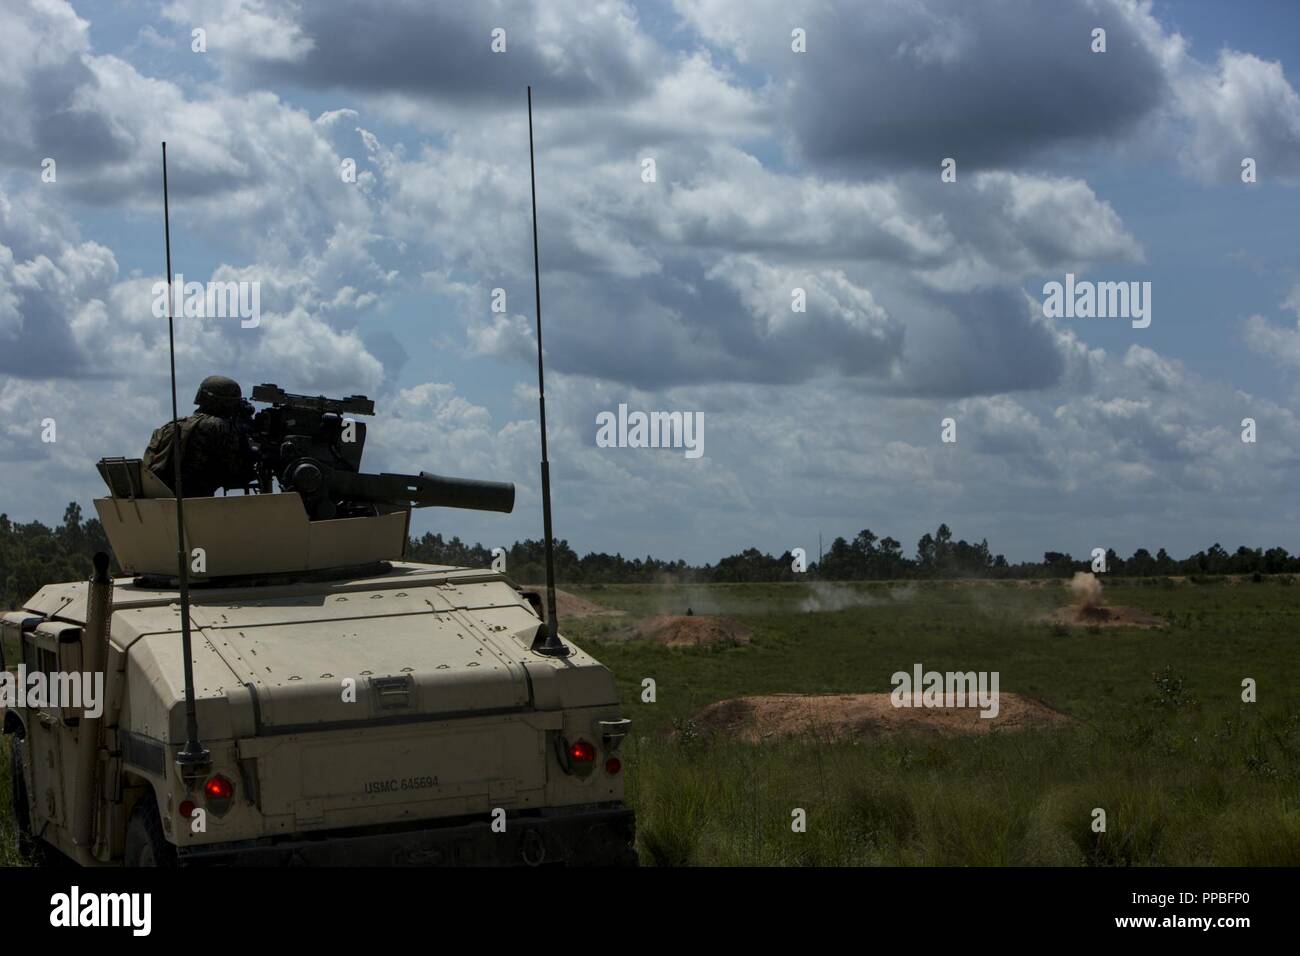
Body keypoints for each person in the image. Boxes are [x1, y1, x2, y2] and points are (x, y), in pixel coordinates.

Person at [143, 375, 255, 497]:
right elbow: (234, 473)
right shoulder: (220, 426)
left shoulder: (172, 426)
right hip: (198, 502)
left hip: (162, 498)